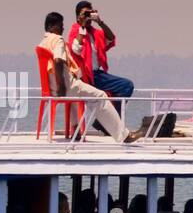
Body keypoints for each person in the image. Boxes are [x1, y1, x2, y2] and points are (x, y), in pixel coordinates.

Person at [39, 12, 138, 143]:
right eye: (60, 25)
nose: (63, 28)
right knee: (100, 96)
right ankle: (123, 136)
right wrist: (61, 86)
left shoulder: (44, 42)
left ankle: (76, 130)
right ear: (51, 26)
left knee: (79, 99)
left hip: (52, 87)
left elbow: (110, 39)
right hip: (67, 85)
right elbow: (58, 60)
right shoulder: (58, 40)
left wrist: (99, 22)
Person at [68, 1, 134, 132]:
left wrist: (100, 21)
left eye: (90, 13)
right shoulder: (75, 30)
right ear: (78, 16)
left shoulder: (95, 32)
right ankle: (109, 124)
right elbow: (76, 49)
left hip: (97, 74)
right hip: (85, 76)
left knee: (127, 86)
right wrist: (81, 25)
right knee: (124, 87)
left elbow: (111, 38)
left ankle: (104, 122)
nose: (88, 16)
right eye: (85, 13)